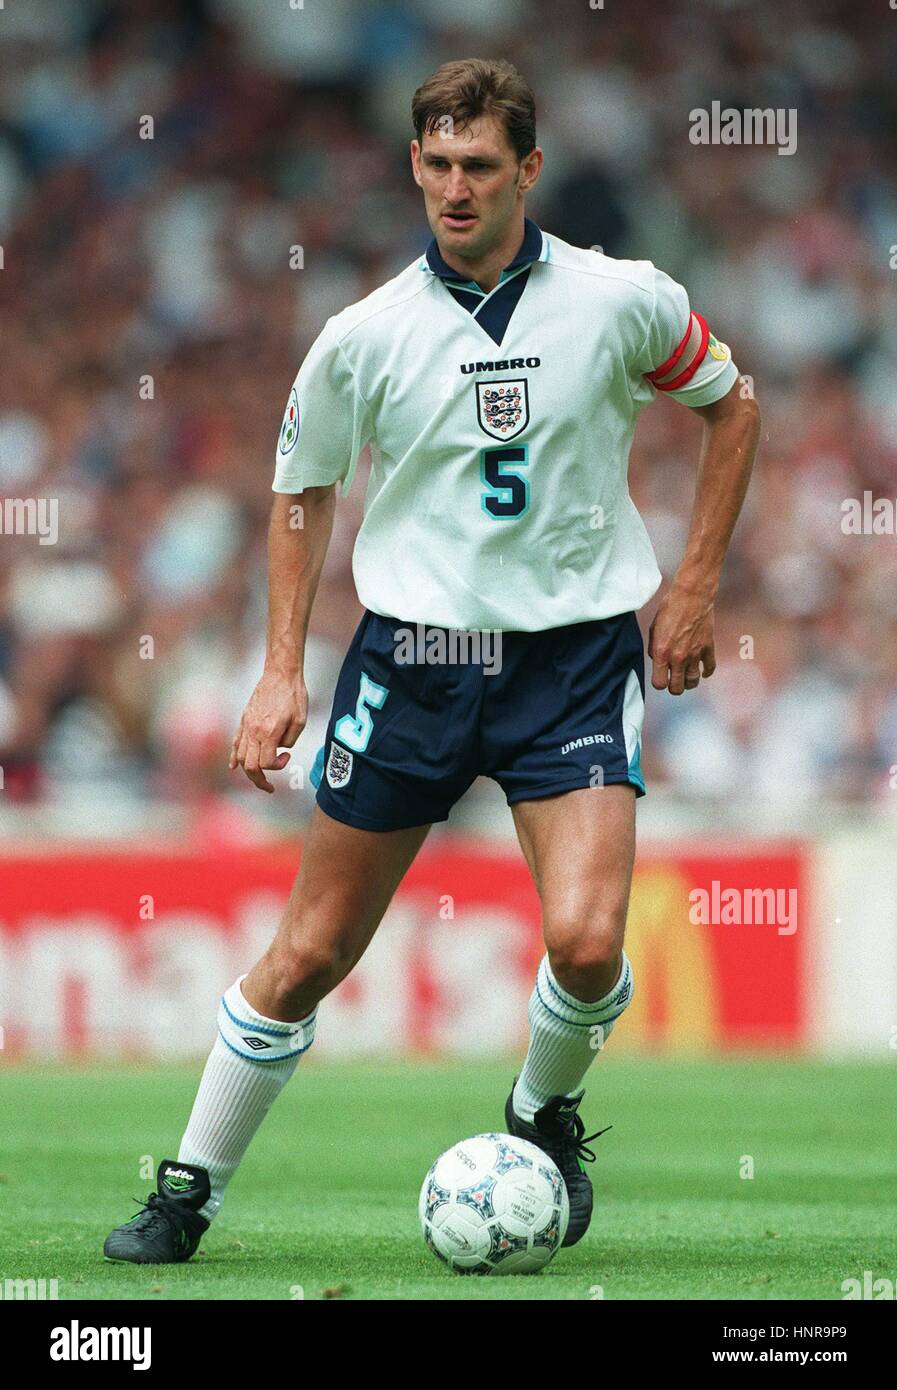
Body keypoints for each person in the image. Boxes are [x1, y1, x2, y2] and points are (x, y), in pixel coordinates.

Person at [104, 57, 760, 1265]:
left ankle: (538, 1113)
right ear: (415, 164)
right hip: (409, 664)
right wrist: (280, 669)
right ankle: (185, 1189)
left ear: (529, 171)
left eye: (481, 167)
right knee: (309, 952)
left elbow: (733, 403)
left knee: (588, 942)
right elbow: (299, 492)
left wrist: (698, 580)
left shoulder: (622, 298)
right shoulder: (364, 336)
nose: (456, 189)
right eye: (438, 165)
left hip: (569, 658)